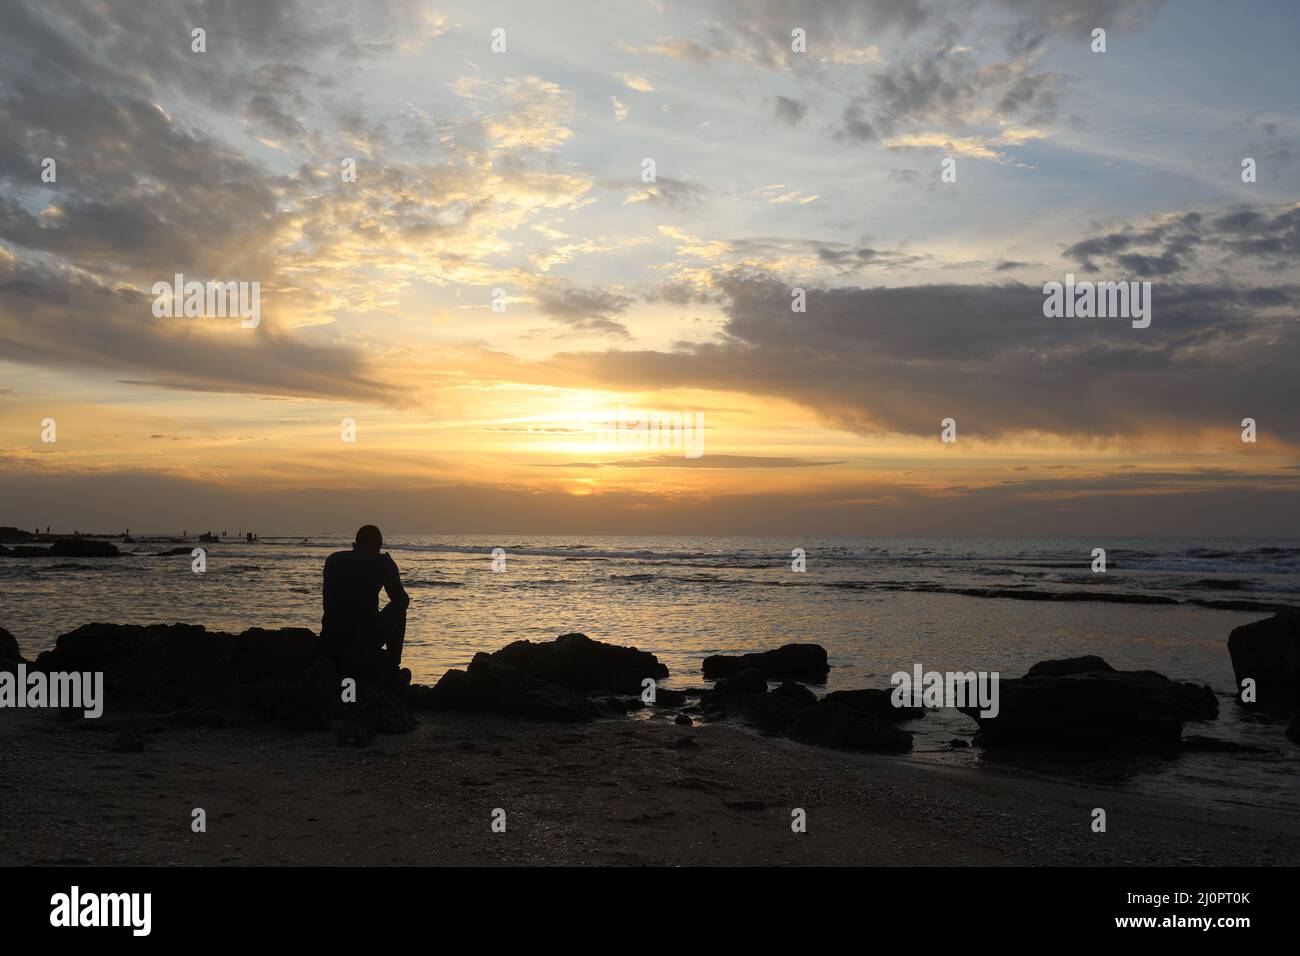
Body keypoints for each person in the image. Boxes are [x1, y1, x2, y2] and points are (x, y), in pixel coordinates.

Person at [322, 525, 410, 684]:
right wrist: (389, 566)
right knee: (399, 609)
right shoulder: (382, 562)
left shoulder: (333, 559)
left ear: (355, 544)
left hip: (331, 634)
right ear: (379, 546)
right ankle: (393, 665)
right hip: (364, 637)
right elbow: (402, 601)